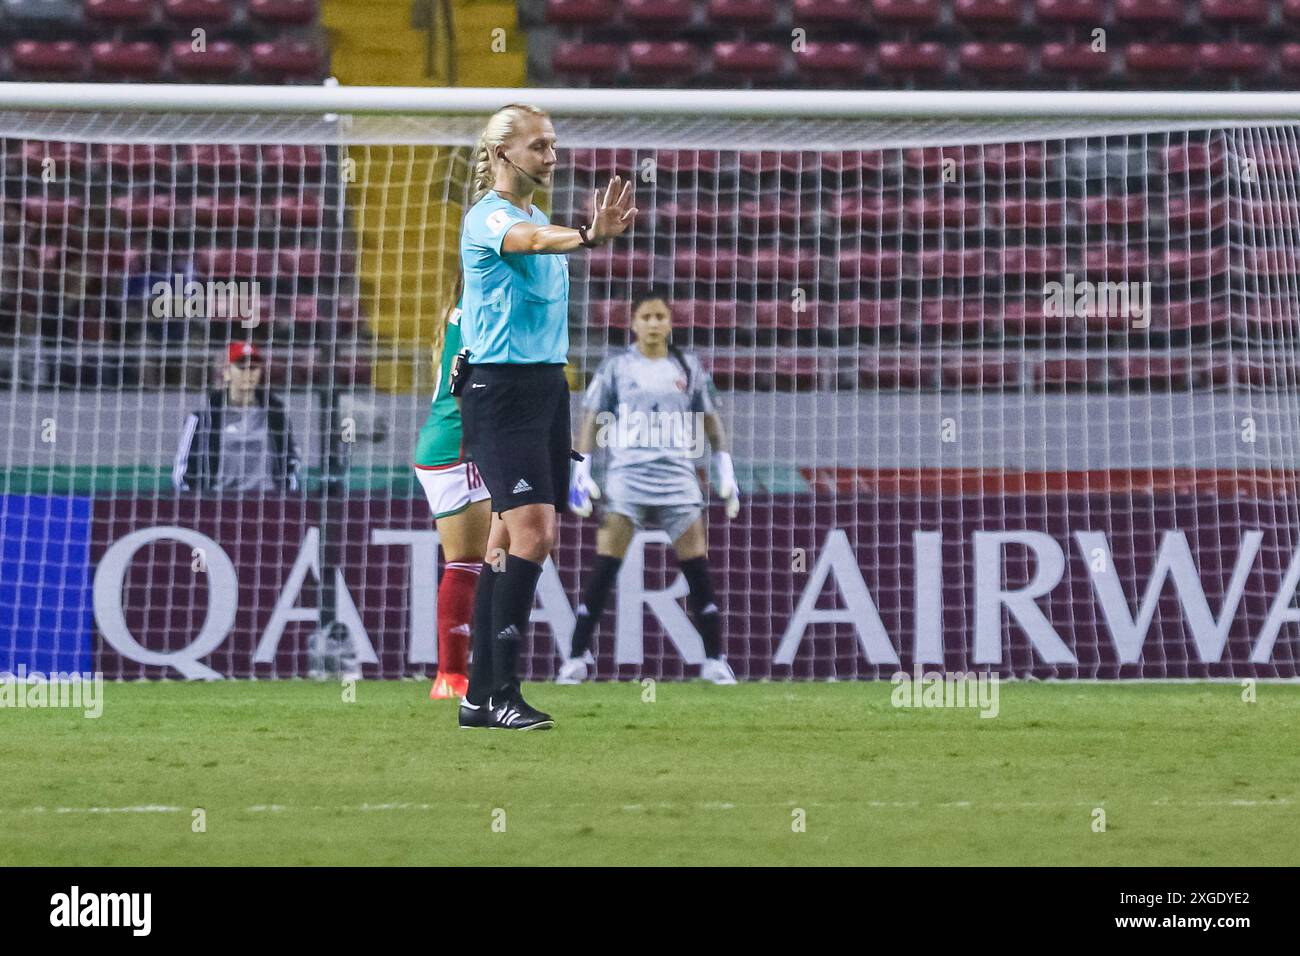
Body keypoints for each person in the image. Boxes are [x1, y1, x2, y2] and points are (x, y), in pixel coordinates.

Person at [456, 102, 637, 731]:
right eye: (539, 146)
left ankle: (479, 697)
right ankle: (504, 689)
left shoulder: (536, 216)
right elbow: (528, 242)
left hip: (543, 388)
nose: (551, 156)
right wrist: (587, 236)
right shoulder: (492, 218)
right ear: (504, 153)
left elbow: (536, 239)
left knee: (507, 541)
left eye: (554, 144)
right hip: (499, 389)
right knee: (536, 535)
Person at [561, 288, 741, 684]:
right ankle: (575, 656)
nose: (654, 324)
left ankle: (714, 659)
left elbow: (711, 420)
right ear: (634, 324)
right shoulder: (616, 368)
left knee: (696, 566)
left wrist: (724, 467)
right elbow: (591, 418)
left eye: (661, 317)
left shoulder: (688, 367)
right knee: (606, 566)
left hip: (678, 477)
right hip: (628, 477)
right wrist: (581, 470)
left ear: (670, 323)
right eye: (647, 317)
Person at [413, 277, 491, 701]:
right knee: (469, 562)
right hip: (459, 443)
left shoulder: (459, 308)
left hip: (445, 439)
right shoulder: (480, 310)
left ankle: (460, 671)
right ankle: (453, 674)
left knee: (481, 559)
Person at [172, 341, 301, 494]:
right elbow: (182, 470)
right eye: (241, 367)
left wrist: (287, 495)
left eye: (254, 367)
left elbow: (291, 462)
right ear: (226, 372)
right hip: (217, 503)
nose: (249, 373)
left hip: (268, 502)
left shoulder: (276, 416)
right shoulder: (202, 419)